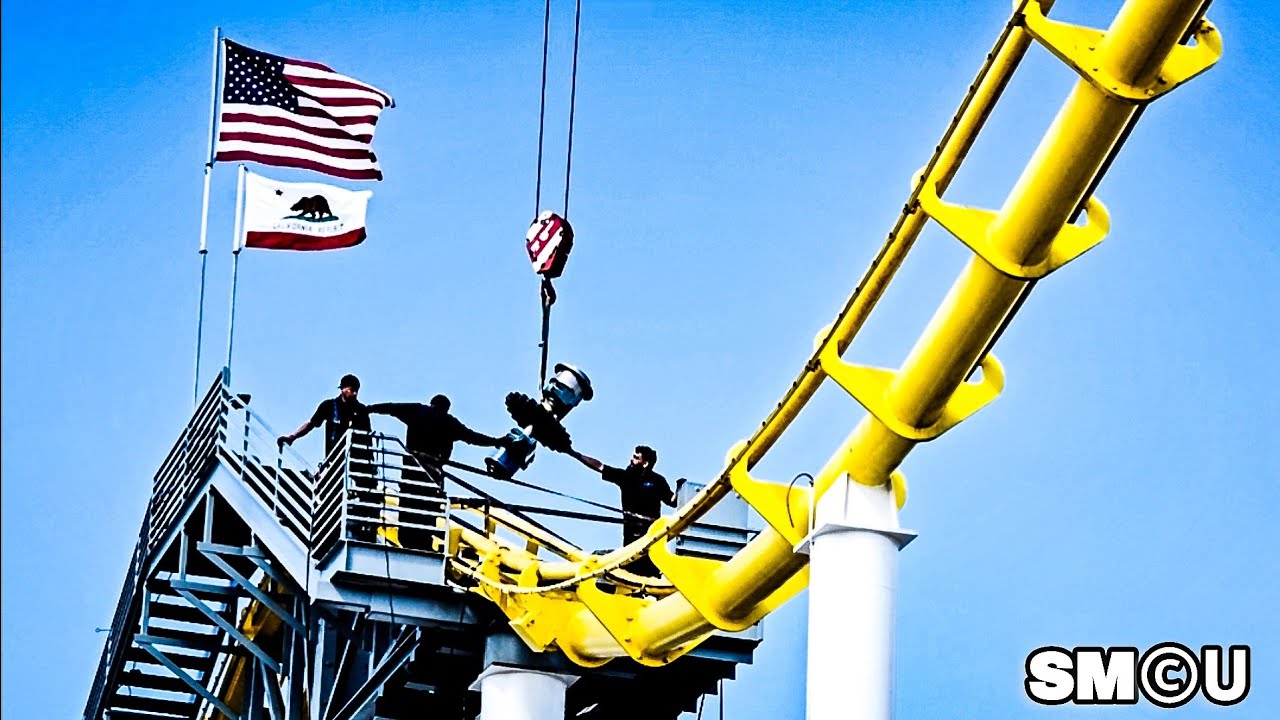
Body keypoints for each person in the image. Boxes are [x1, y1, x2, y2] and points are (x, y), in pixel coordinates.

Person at [366, 394, 507, 548]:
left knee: (408, 509)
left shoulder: (417, 410)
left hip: (412, 471)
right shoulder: (449, 422)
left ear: (432, 403)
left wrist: (369, 409)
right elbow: (473, 437)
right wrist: (497, 441)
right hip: (432, 475)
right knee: (427, 514)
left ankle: (408, 539)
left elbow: (391, 407)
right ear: (446, 408)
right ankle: (425, 542)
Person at [277, 374, 378, 538]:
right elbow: (311, 423)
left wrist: (370, 461)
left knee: (368, 491)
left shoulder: (361, 410)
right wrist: (292, 437)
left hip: (357, 460)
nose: (354, 394)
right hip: (334, 460)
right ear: (343, 389)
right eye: (351, 390)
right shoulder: (329, 406)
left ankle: (368, 527)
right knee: (331, 493)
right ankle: (329, 527)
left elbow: (367, 438)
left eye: (356, 391)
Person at [567, 445, 676, 577]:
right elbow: (600, 467)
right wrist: (574, 453)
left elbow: (672, 501)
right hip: (631, 539)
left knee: (650, 572)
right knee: (631, 568)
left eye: (636, 458)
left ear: (645, 463)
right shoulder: (625, 477)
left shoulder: (658, 481)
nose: (631, 460)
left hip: (651, 537)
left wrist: (682, 489)